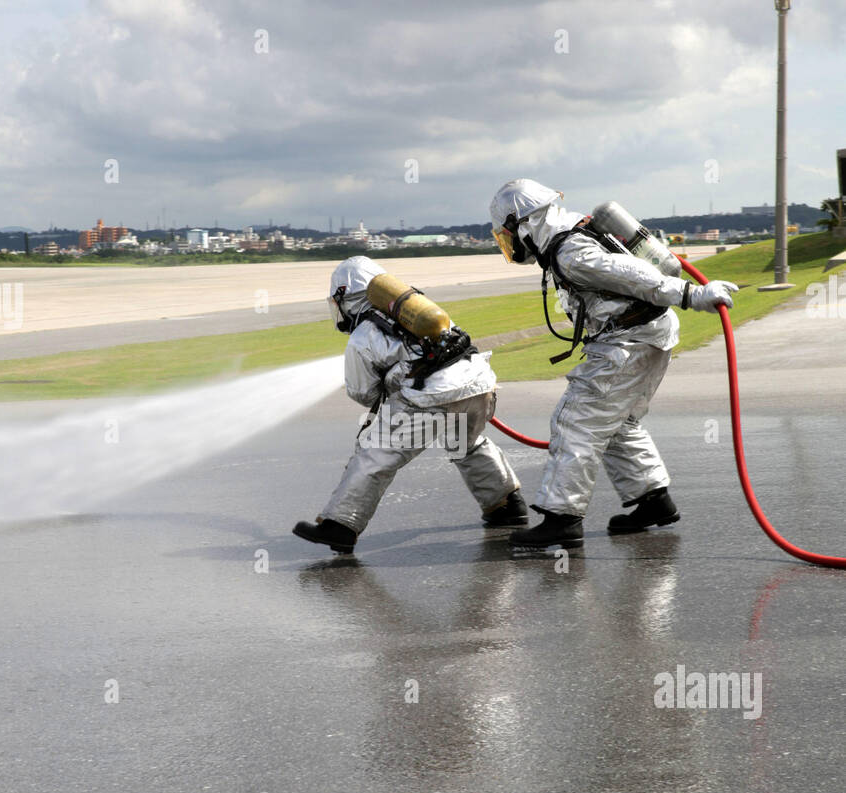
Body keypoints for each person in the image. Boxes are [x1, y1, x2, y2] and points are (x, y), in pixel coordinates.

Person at [489, 178, 738, 549]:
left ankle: (562, 518)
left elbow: (636, 277)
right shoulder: (574, 233)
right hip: (648, 333)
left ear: (524, 223)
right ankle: (653, 501)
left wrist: (693, 295)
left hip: (630, 340)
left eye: (509, 232)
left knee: (575, 420)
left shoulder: (571, 252)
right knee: (618, 421)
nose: (511, 242)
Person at [293, 255, 527, 554]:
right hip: (479, 384)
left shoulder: (364, 334)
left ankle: (340, 526)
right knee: (465, 443)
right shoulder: (420, 310)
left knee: (375, 456)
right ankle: (507, 506)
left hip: (431, 398)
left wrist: (390, 388)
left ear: (345, 298)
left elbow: (363, 392)